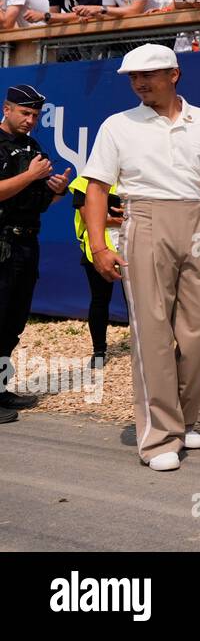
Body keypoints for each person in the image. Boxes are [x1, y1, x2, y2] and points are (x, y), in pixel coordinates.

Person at [81, 45, 200, 470]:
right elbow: (95, 190)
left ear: (174, 74)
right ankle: (157, 439)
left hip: (196, 222)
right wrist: (100, 246)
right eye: (132, 76)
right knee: (151, 332)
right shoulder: (118, 125)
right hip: (144, 221)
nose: (138, 83)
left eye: (148, 74)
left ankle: (181, 419)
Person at [0, 85, 72, 424]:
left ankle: (0, 388)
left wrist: (55, 191)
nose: (30, 120)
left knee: (12, 322)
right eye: (24, 113)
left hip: (27, 243)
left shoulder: (31, 147)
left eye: (34, 115)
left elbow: (38, 202)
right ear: (7, 108)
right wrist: (31, 175)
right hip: (2, 242)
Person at [70, 173, 122, 370]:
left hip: (130, 248)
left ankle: (143, 348)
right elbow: (86, 215)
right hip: (98, 251)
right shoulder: (83, 181)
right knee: (100, 300)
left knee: (136, 304)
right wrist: (118, 220)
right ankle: (99, 351)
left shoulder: (131, 178)